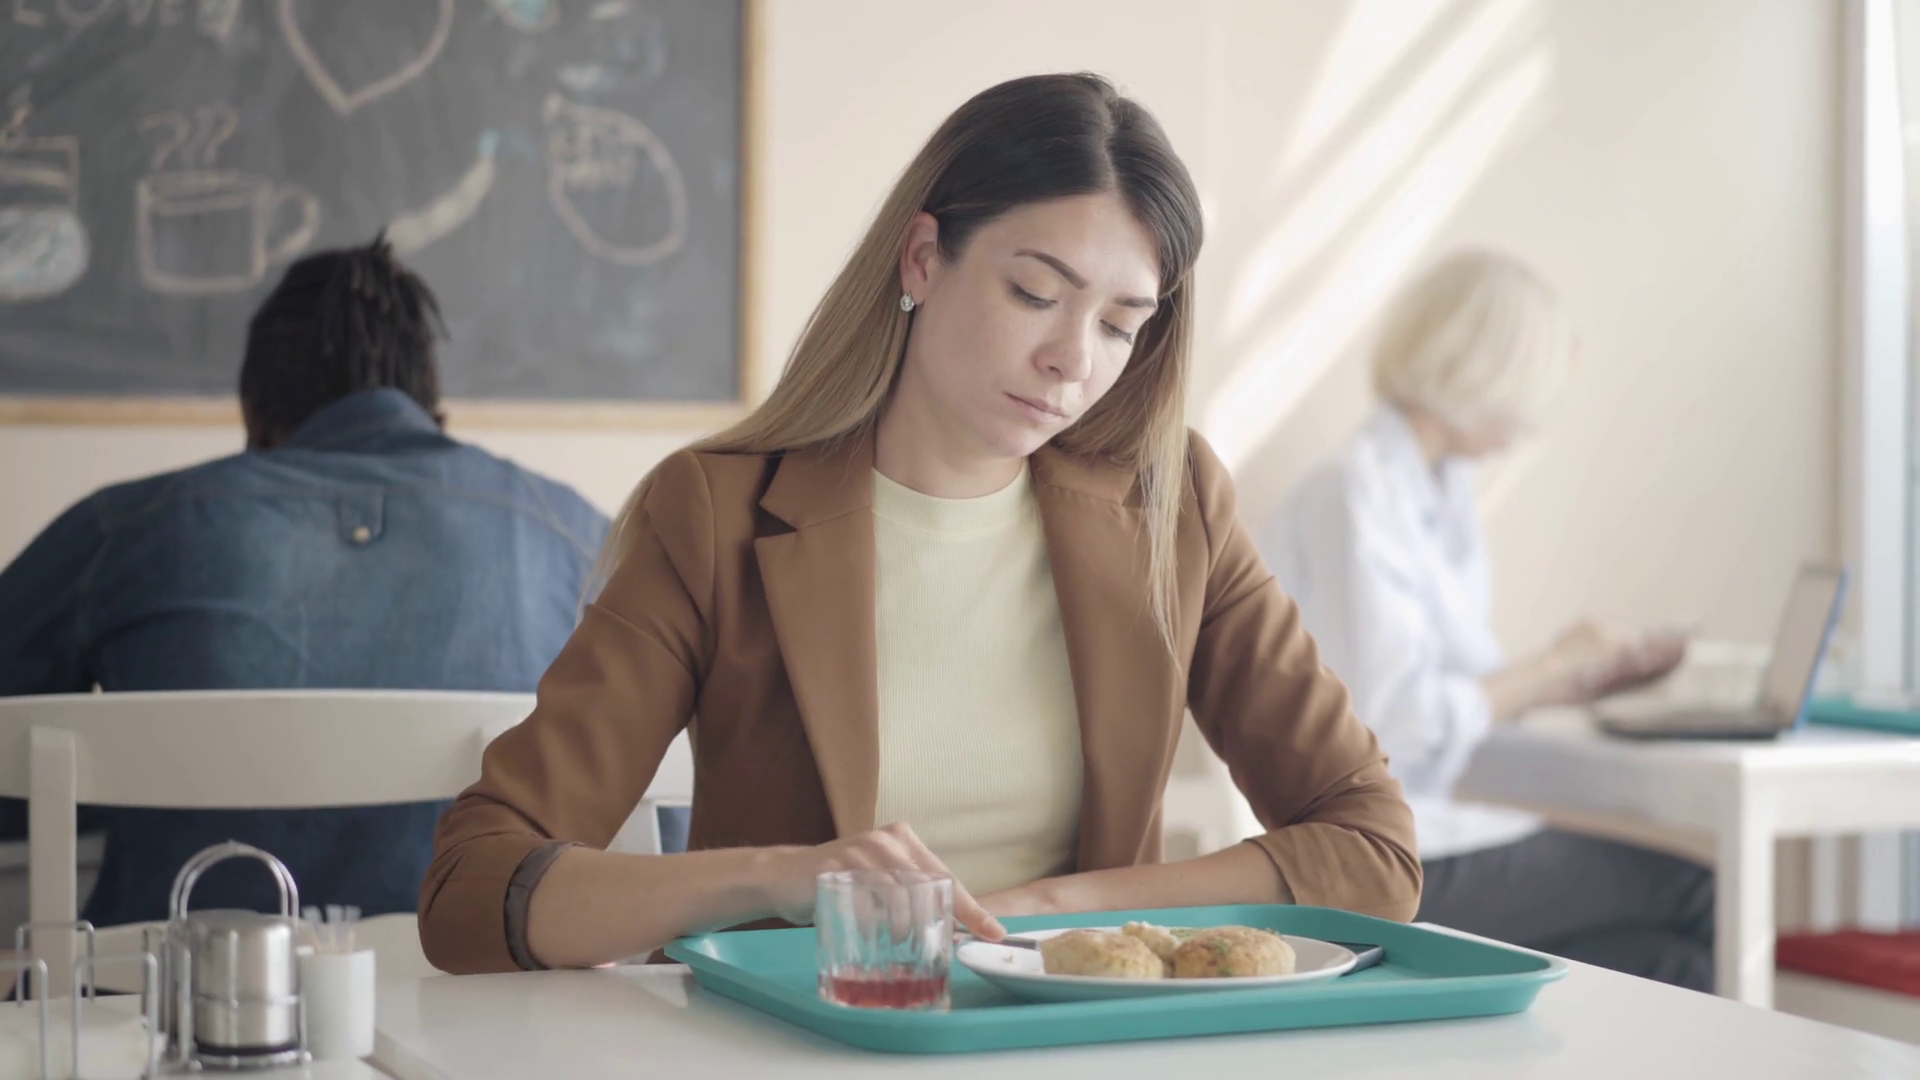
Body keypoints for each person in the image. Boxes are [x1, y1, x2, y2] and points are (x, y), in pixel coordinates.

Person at [420, 73, 1422, 975]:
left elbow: (1374, 849)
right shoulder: (717, 512)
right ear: (923, 258)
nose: (1073, 358)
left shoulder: (1173, 506)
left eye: (1120, 324)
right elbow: (476, 887)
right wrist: (781, 878)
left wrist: (1048, 909)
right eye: (1036, 292)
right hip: (810, 1046)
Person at [0, 237, 613, 927]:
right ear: (433, 420)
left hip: (153, 1009)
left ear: (257, 422)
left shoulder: (124, 529)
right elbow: (660, 822)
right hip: (485, 1005)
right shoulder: (581, 541)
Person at [1263, 250, 1713, 991]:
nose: (1532, 418)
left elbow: (1453, 689)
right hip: (1375, 856)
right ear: (1480, 372)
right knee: (1701, 898)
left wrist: (1561, 682)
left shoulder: (1441, 495)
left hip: (1423, 830)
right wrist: (1552, 661)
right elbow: (1396, 718)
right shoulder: (1355, 493)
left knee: (1674, 962)